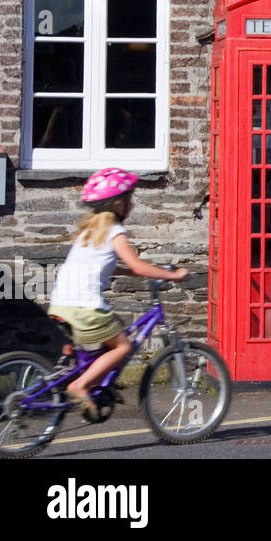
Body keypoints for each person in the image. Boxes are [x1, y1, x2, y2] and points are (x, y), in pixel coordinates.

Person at [47, 168, 188, 416]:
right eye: (129, 199)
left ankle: (100, 384)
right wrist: (172, 275)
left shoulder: (89, 231)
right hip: (85, 306)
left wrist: (133, 273)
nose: (131, 205)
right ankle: (80, 385)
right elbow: (136, 264)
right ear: (117, 203)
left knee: (117, 327)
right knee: (123, 346)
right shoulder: (114, 230)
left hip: (62, 303)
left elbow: (105, 266)